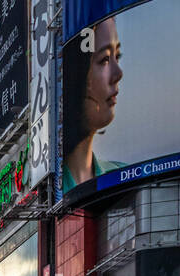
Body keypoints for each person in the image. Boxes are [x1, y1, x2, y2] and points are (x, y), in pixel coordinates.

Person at [60, 15, 122, 192]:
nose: (118, 73)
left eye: (118, 56)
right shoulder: (45, 190)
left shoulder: (121, 179)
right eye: (104, 59)